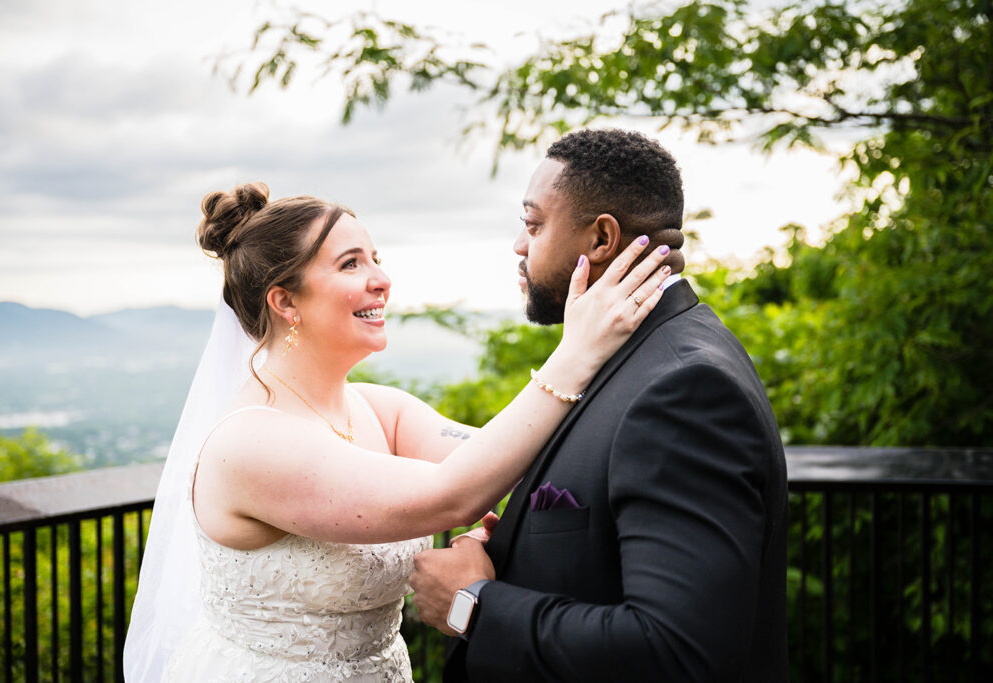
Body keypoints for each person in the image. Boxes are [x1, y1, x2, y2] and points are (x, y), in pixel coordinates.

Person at [123, 181, 673, 681]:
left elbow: (504, 456)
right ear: (285, 300)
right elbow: (450, 495)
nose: (382, 280)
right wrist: (573, 354)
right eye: (350, 264)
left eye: (377, 259)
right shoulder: (250, 444)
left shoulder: (380, 410)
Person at [410, 128, 789, 682]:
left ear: (601, 239)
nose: (520, 245)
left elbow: (679, 651)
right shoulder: (629, 355)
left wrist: (473, 603)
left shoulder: (685, 389)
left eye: (534, 224)